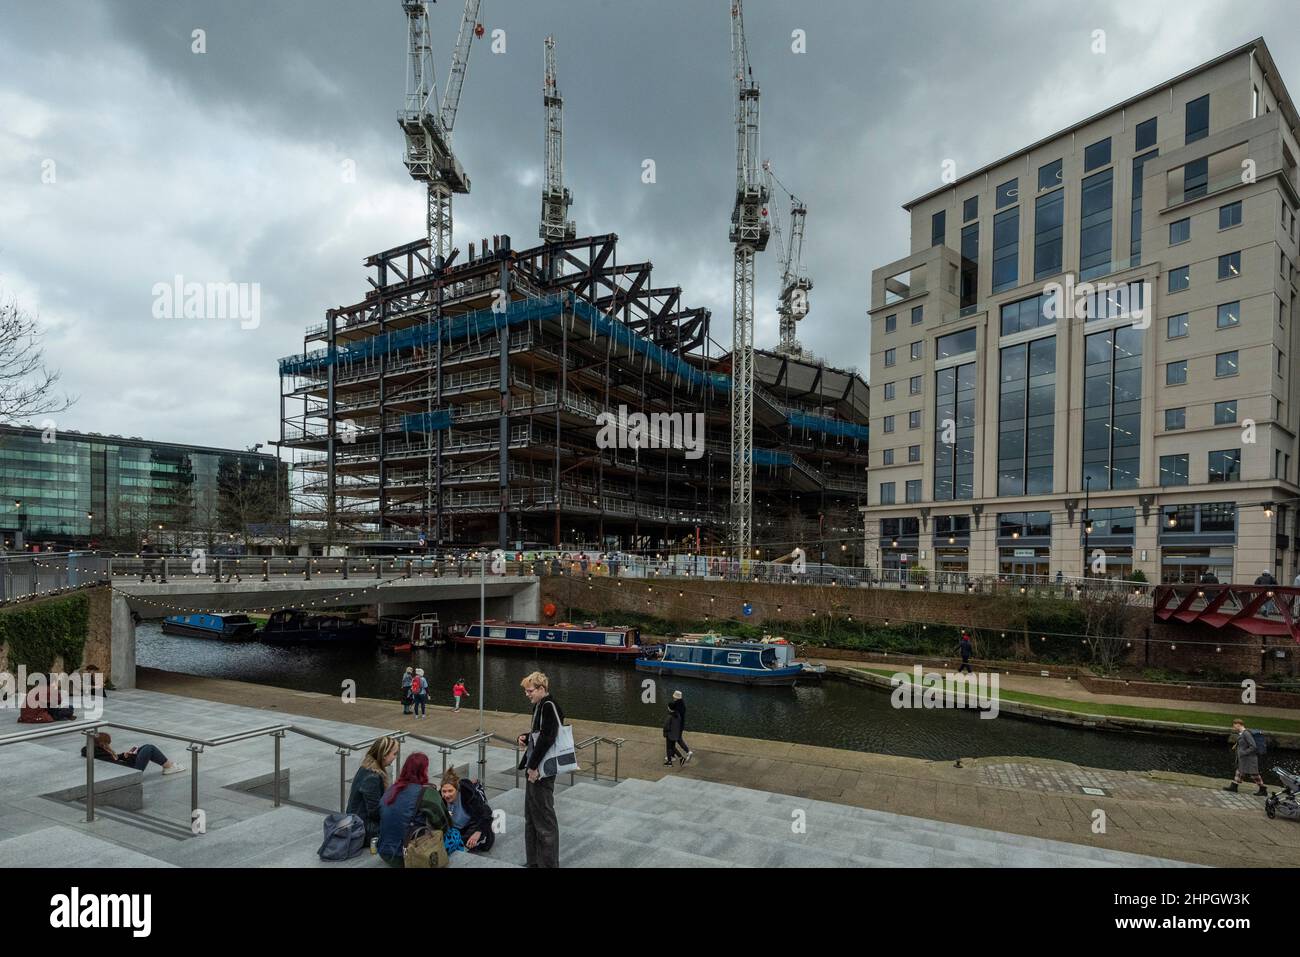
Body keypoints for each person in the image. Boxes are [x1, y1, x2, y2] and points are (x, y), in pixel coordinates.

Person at [517, 671, 562, 868]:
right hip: (536, 769)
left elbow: (548, 737)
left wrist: (533, 767)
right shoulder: (541, 706)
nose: (527, 694)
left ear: (541, 689)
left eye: (530, 691)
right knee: (532, 816)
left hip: (541, 772)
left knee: (544, 819)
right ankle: (534, 862)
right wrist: (526, 736)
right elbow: (540, 734)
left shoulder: (549, 706)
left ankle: (548, 864)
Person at [376, 753, 454, 867]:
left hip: (384, 852)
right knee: (454, 835)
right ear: (424, 770)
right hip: (408, 856)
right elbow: (444, 826)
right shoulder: (426, 793)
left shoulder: (392, 789)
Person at [346, 736, 399, 843]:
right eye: (394, 754)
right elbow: (374, 812)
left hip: (358, 821)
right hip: (363, 828)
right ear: (384, 755)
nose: (395, 757)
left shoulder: (366, 768)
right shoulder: (372, 777)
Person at [439, 768, 495, 853]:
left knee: (467, 842)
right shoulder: (439, 797)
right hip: (454, 828)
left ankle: (482, 833)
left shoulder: (468, 794)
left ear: (457, 790)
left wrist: (478, 831)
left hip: (471, 825)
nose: (447, 795)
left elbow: (486, 813)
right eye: (444, 791)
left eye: (450, 791)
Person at [80, 732, 185, 775]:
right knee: (149, 748)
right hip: (130, 770)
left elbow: (114, 759)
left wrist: (123, 755)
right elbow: (117, 764)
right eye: (107, 743)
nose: (109, 745)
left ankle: (168, 766)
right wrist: (130, 757)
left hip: (125, 765)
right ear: (102, 744)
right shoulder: (97, 751)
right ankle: (169, 766)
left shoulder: (96, 751)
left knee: (143, 748)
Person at [1224, 719, 1267, 795]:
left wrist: (1243, 752)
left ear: (1238, 724)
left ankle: (1263, 789)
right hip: (1244, 759)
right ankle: (1234, 786)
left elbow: (1253, 746)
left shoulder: (1246, 734)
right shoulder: (1242, 733)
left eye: (1234, 725)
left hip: (1249, 759)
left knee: (1254, 775)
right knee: (1240, 771)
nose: (1233, 727)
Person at [663, 690, 692, 767]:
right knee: (674, 741)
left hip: (676, 726)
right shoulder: (682, 705)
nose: (673, 698)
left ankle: (687, 752)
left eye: (674, 697)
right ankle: (672, 756)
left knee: (676, 740)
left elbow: (671, 719)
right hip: (680, 725)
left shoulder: (676, 706)